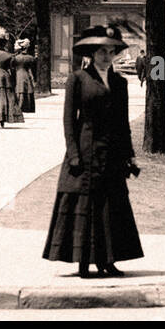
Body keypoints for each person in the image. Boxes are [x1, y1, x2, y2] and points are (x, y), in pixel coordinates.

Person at [42, 25, 143, 279]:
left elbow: (123, 123)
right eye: (102, 52)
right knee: (85, 205)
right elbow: (69, 120)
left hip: (112, 153)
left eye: (111, 52)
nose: (107, 56)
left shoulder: (119, 83)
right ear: (92, 53)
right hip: (85, 152)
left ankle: (108, 261)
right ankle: (84, 263)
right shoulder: (78, 79)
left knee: (111, 205)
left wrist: (130, 155)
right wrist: (73, 154)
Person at [12, 38, 36, 116]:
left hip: (18, 74)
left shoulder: (16, 58)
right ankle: (26, 107)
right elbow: (32, 68)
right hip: (27, 75)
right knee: (27, 89)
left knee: (19, 89)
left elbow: (12, 67)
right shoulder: (30, 58)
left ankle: (19, 106)